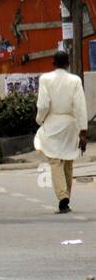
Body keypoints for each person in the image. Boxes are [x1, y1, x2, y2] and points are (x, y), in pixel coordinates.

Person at [34, 49, 89, 213]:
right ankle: (66, 196)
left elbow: (43, 105)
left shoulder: (45, 79)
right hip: (71, 124)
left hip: (52, 123)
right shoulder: (75, 80)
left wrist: (40, 119)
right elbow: (80, 106)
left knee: (55, 161)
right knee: (68, 161)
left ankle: (62, 196)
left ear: (53, 63)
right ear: (68, 64)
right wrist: (83, 131)